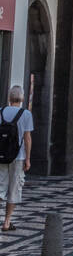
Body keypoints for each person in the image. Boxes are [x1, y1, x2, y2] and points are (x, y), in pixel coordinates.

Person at [0, 86, 32, 233]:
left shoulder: (1, 111)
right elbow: (27, 138)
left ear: (9, 98)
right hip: (17, 157)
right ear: (22, 98)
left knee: (0, 187)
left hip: (1, 156)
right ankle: (7, 222)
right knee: (14, 189)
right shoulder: (26, 114)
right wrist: (28, 159)